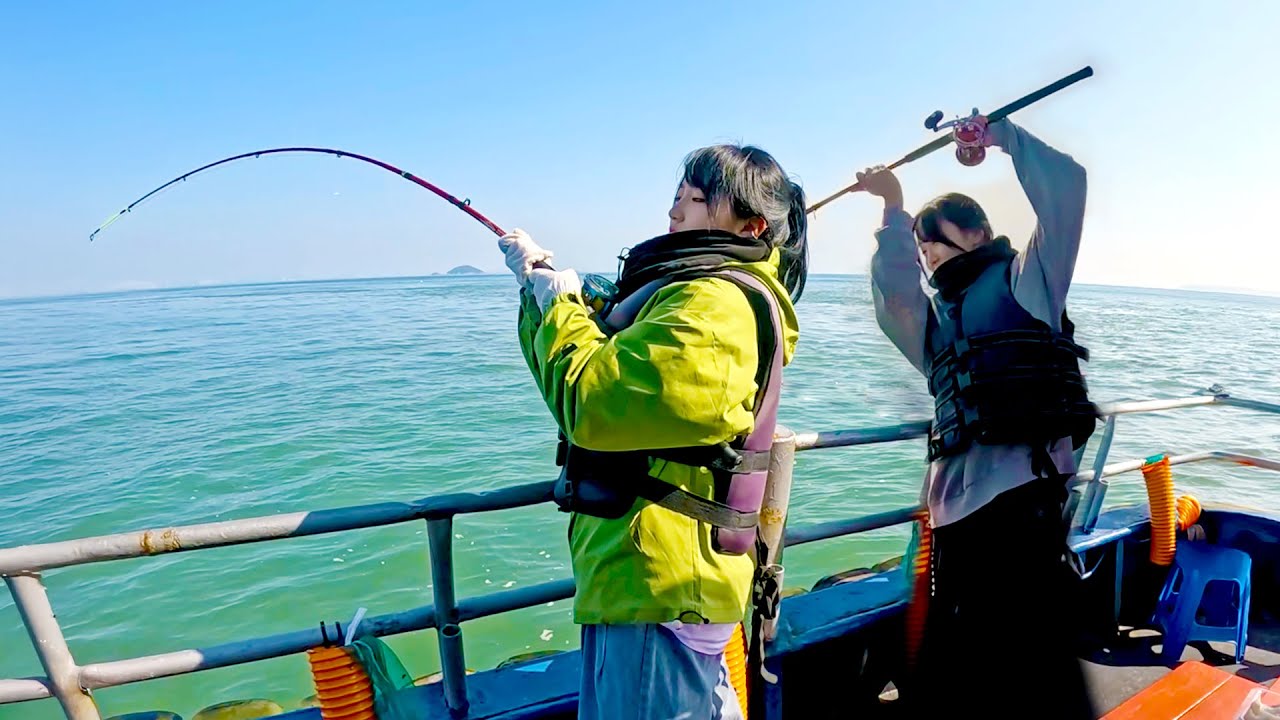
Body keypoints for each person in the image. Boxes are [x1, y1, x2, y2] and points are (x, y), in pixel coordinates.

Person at [498, 144, 808, 720]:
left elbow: (592, 402)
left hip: (659, 581)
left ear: (753, 224)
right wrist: (540, 291)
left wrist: (559, 306)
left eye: (695, 200)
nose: (674, 214)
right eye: (676, 198)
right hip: (651, 574)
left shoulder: (714, 304)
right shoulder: (698, 292)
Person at [859, 117, 1097, 718]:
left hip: (1024, 502)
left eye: (934, 239)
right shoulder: (934, 321)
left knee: (1028, 663)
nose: (926, 255)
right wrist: (893, 208)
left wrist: (1002, 137)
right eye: (921, 246)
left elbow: (1067, 190)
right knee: (962, 659)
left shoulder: (1029, 281)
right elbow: (893, 294)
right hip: (955, 515)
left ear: (979, 233)